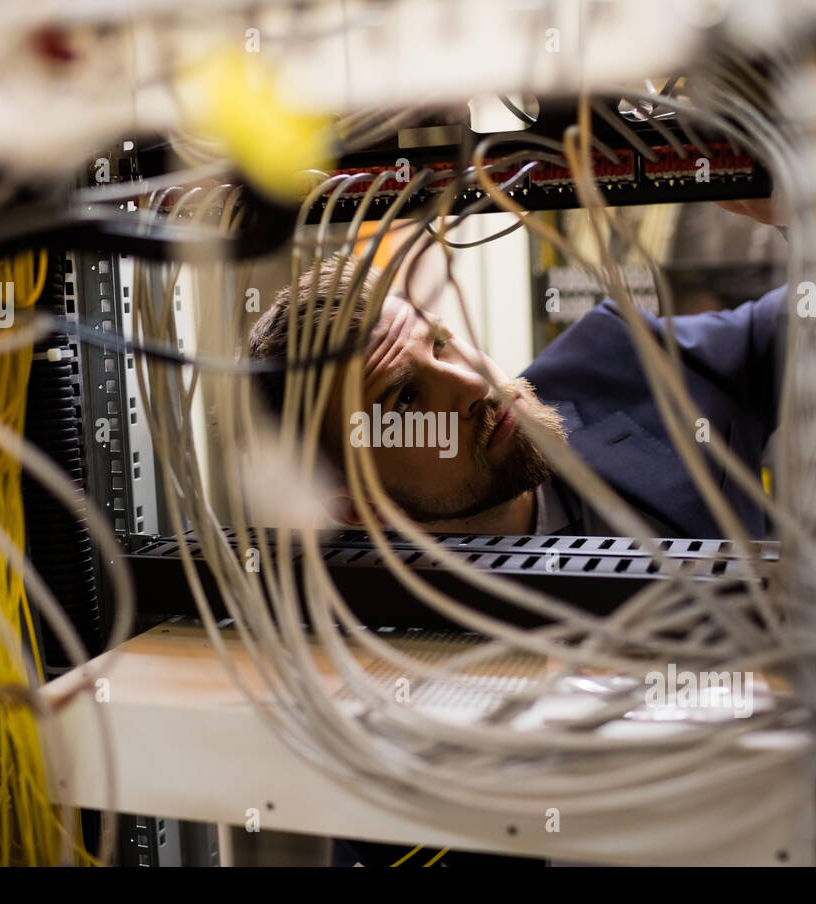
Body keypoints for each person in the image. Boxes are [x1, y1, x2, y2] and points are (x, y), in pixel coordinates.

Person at [246, 200, 786, 866]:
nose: (473, 383)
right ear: (355, 507)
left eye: (440, 341)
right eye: (405, 398)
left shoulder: (621, 363)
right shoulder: (374, 691)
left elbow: (803, 325)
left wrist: (796, 207)